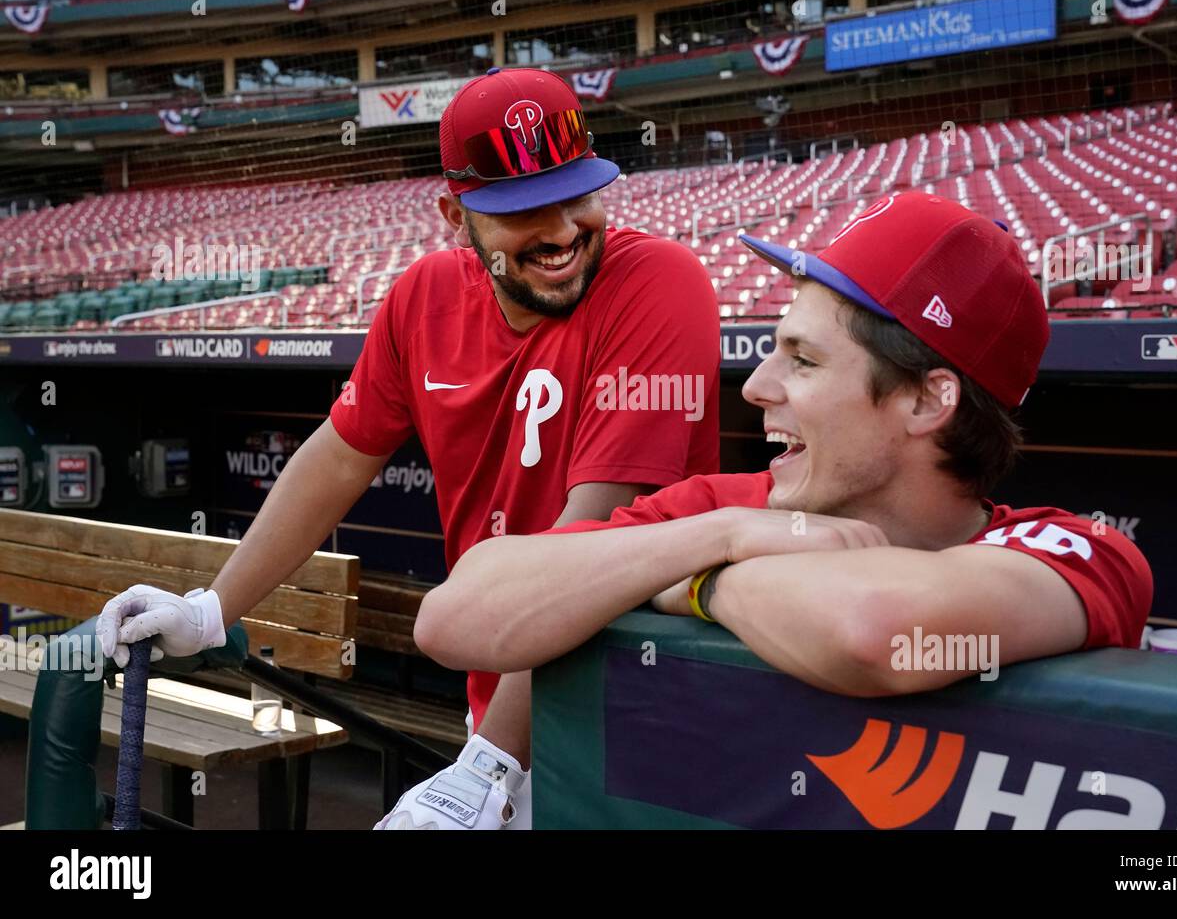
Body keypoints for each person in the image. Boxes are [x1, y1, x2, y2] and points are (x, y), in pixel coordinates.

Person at [95, 67, 721, 830]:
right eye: (524, 209)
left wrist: (492, 762)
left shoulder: (659, 281)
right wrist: (213, 607)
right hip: (502, 710)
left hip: (637, 724)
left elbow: (596, 541)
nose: (560, 231)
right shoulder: (422, 295)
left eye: (577, 195)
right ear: (455, 216)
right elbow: (336, 457)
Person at [412, 192, 1153, 705]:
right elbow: (456, 620)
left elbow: (874, 633)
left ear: (928, 400)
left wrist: (694, 579)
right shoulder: (727, 511)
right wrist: (725, 534)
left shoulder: (1074, 547)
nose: (755, 386)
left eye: (802, 359)